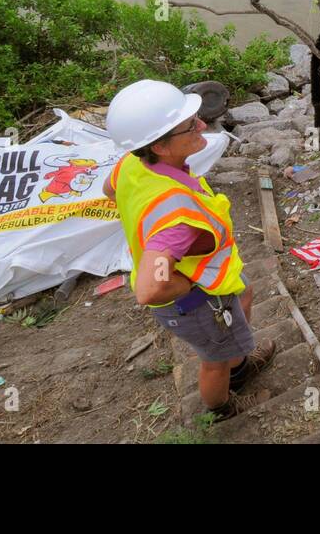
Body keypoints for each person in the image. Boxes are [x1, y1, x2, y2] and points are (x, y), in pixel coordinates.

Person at [104, 79, 276, 421]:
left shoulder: (133, 163)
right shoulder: (175, 218)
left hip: (208, 283)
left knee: (244, 294)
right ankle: (222, 407)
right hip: (196, 302)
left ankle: (239, 364)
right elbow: (149, 289)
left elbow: (110, 189)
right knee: (215, 359)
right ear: (162, 146)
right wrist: (193, 287)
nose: (201, 124)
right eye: (189, 125)